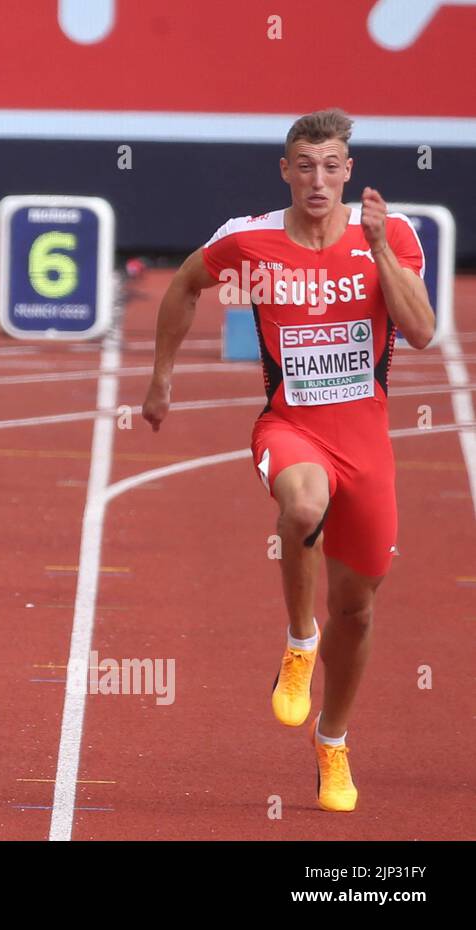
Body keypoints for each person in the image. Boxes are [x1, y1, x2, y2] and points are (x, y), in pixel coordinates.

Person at [142, 109, 434, 811]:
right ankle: (299, 643)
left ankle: (332, 743)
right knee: (302, 505)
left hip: (365, 443)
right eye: (305, 165)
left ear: (349, 172)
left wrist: (380, 250)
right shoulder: (251, 239)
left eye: (332, 166)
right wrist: (161, 377)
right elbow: (182, 285)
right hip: (290, 428)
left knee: (358, 610)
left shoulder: (391, 235)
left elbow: (421, 330)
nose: (318, 180)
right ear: (286, 170)